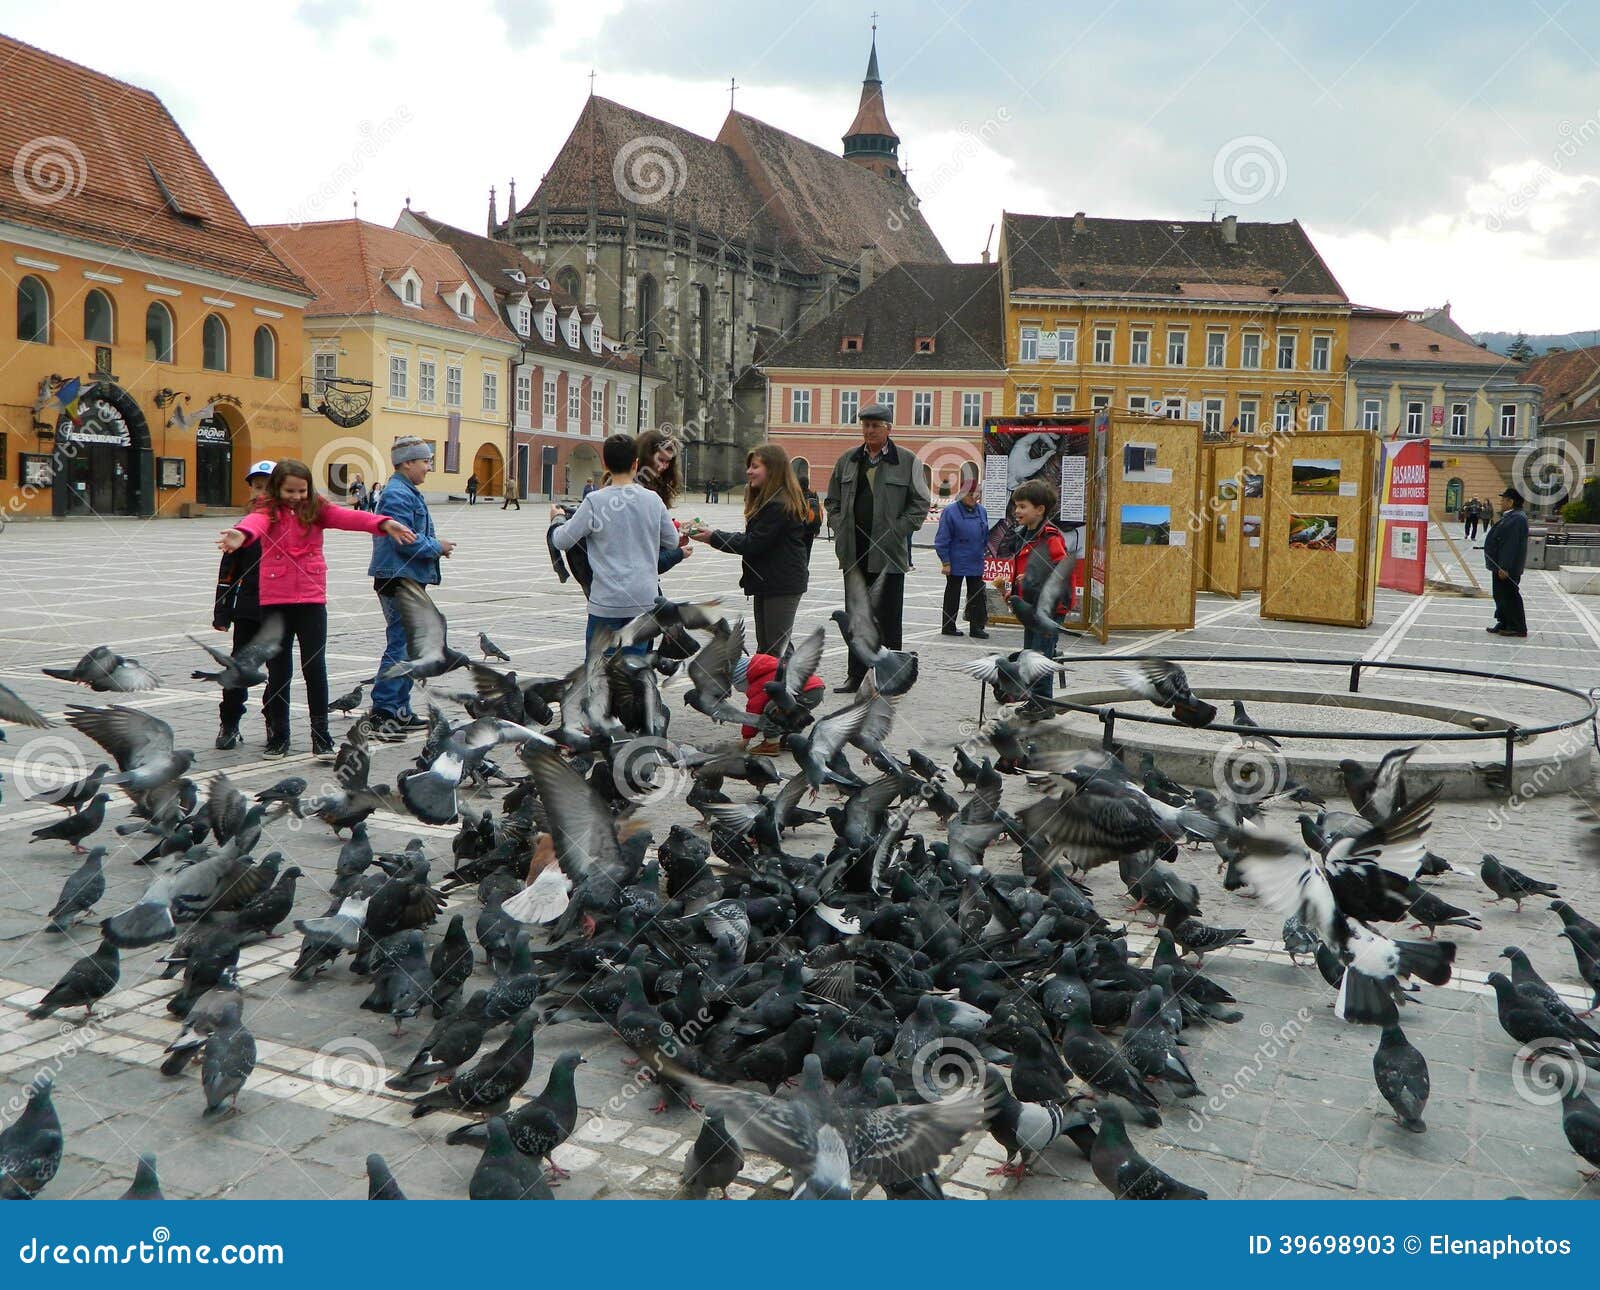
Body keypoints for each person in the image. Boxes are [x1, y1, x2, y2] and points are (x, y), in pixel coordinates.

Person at [216, 460, 415, 757]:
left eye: (301, 490)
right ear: (276, 488)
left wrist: (383, 523)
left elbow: (348, 518)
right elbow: (253, 525)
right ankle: (279, 736)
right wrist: (241, 535)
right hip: (275, 602)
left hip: (311, 599)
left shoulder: (316, 509)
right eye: (289, 491)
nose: (296, 496)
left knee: (315, 669)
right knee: (279, 672)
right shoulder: (266, 511)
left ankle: (321, 737)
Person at [824, 401, 930, 692]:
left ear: (888, 429)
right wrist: (838, 523)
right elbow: (831, 500)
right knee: (856, 619)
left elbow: (920, 504)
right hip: (854, 553)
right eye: (866, 425)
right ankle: (855, 676)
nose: (869, 430)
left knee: (888, 619)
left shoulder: (907, 461)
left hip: (888, 555)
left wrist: (899, 530)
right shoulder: (848, 460)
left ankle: (890, 676)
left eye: (875, 426)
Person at [550, 434, 679, 653]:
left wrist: (557, 519)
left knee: (599, 673)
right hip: (644, 600)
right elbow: (672, 540)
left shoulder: (595, 501)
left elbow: (562, 540)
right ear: (635, 463)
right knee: (635, 672)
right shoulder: (653, 500)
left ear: (606, 464)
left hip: (606, 602)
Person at [687, 444, 819, 656]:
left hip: (781, 583)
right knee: (769, 646)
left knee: (777, 648)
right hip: (770, 581)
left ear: (772, 469)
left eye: (755, 466)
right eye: (749, 466)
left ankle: (794, 688)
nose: (748, 471)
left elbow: (752, 544)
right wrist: (713, 536)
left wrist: (714, 536)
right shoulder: (771, 499)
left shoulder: (778, 504)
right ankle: (772, 687)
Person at [367, 436, 456, 741]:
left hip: (404, 577)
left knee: (409, 643)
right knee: (401, 644)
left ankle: (399, 710)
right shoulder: (396, 494)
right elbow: (403, 539)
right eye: (425, 461)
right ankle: (384, 711)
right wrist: (437, 546)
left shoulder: (405, 491)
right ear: (407, 463)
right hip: (397, 578)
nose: (429, 467)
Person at [210, 460, 275, 749]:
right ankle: (230, 724)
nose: (261, 492)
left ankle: (275, 724)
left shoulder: (289, 525)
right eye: (257, 487)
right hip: (249, 609)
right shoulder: (243, 529)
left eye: (268, 487)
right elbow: (228, 574)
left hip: (280, 611)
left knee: (277, 671)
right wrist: (222, 612)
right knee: (239, 670)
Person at [1009, 478, 1070, 708]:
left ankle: (1043, 703)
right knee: (1030, 654)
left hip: (1050, 606)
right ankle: (1034, 699)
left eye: (1022, 506)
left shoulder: (1051, 537)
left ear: (1040, 509)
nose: (1017, 511)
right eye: (1016, 506)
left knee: (1040, 657)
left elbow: (1062, 569)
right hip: (1031, 605)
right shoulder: (1025, 534)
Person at [934, 476, 990, 638]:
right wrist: (945, 562)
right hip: (955, 560)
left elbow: (985, 534)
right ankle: (948, 626)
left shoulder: (982, 511)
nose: (974, 498)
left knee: (977, 595)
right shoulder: (950, 511)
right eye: (970, 494)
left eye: (977, 494)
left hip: (975, 560)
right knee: (953, 594)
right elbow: (942, 540)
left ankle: (976, 627)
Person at [636, 428, 689, 574]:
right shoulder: (638, 487)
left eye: (668, 462)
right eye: (661, 460)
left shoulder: (653, 484)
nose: (664, 467)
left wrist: (676, 525)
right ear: (646, 456)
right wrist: (674, 541)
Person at [1484, 486, 1529, 638]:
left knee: (1509, 595)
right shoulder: (1511, 516)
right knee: (1500, 595)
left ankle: (1517, 626)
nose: (1501, 502)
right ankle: (1504, 621)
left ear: (1511, 502)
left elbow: (1510, 545)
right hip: (1498, 565)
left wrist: (1504, 567)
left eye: (1503, 500)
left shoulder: (1517, 518)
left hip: (1506, 567)